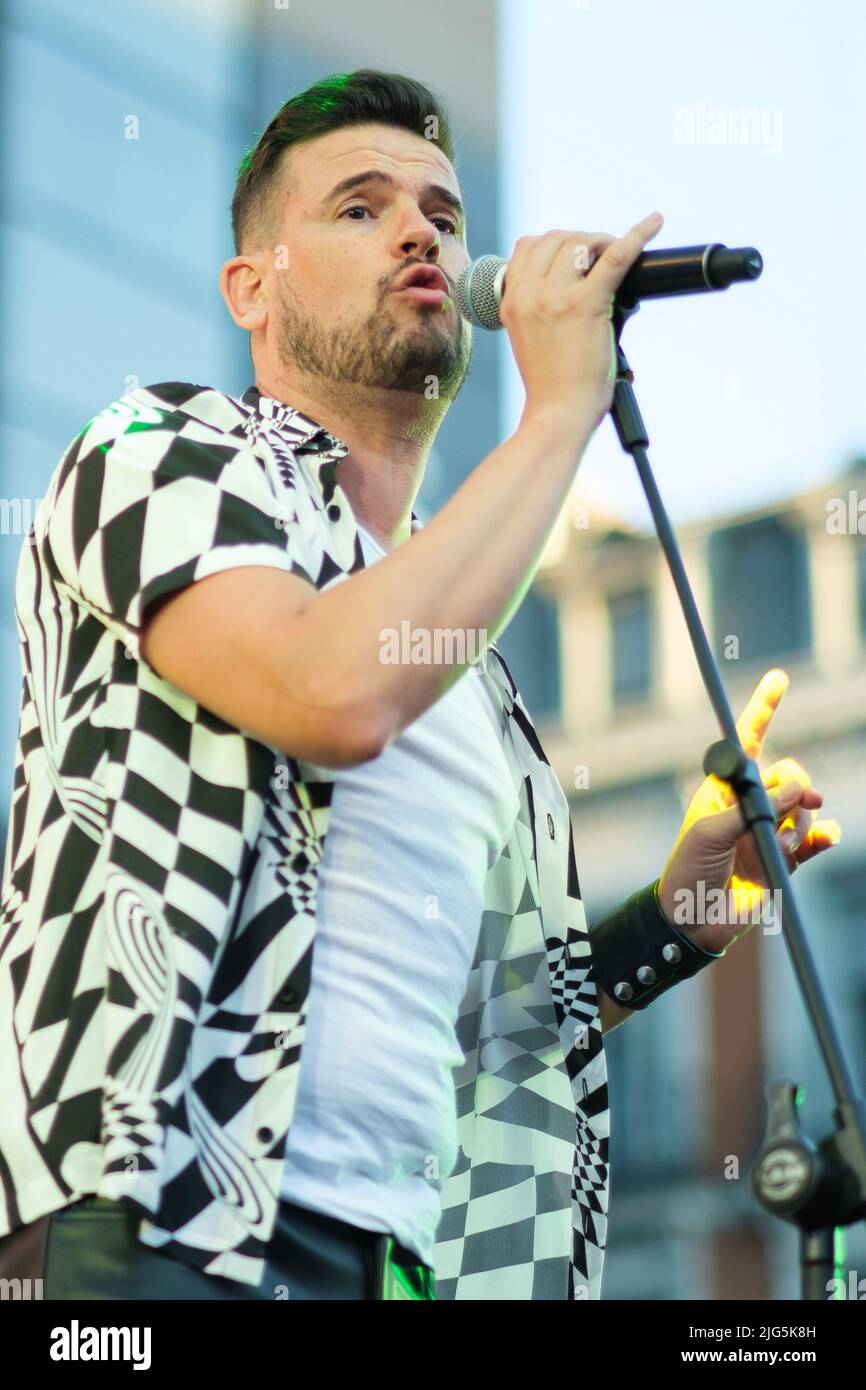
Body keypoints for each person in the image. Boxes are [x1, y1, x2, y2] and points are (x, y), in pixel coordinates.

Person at [0, 69, 840, 1302]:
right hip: (148, 1233)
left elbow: (487, 1037)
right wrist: (561, 411)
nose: (418, 232)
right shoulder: (154, 450)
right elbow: (329, 692)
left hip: (396, 1263)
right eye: (358, 207)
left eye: (444, 215)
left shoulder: (478, 674)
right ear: (252, 288)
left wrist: (671, 920)